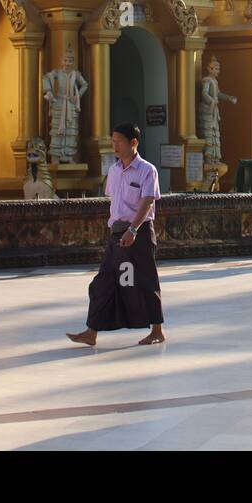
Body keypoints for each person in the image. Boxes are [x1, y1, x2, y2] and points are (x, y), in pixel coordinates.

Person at [68, 123, 165, 347]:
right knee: (103, 282)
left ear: (133, 143)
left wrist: (133, 229)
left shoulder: (147, 170)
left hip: (138, 233)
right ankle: (91, 331)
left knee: (145, 280)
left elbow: (147, 201)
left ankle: (158, 330)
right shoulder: (113, 170)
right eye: (113, 142)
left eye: (119, 142)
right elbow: (114, 200)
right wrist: (116, 229)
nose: (115, 146)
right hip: (117, 233)